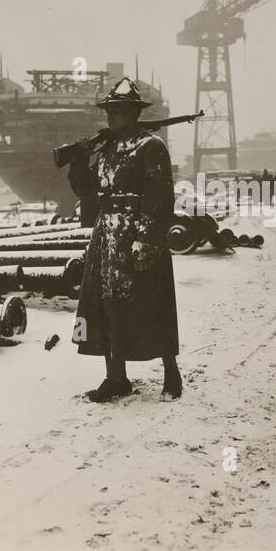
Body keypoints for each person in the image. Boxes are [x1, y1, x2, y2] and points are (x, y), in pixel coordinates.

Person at [64, 78, 181, 402]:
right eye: (109, 111)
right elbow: (87, 191)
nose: (111, 117)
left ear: (134, 113)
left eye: (118, 111)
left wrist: (146, 240)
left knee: (152, 305)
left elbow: (158, 198)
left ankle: (171, 372)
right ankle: (115, 378)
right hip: (106, 236)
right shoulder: (107, 149)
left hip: (137, 235)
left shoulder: (151, 147)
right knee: (105, 307)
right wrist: (78, 160)